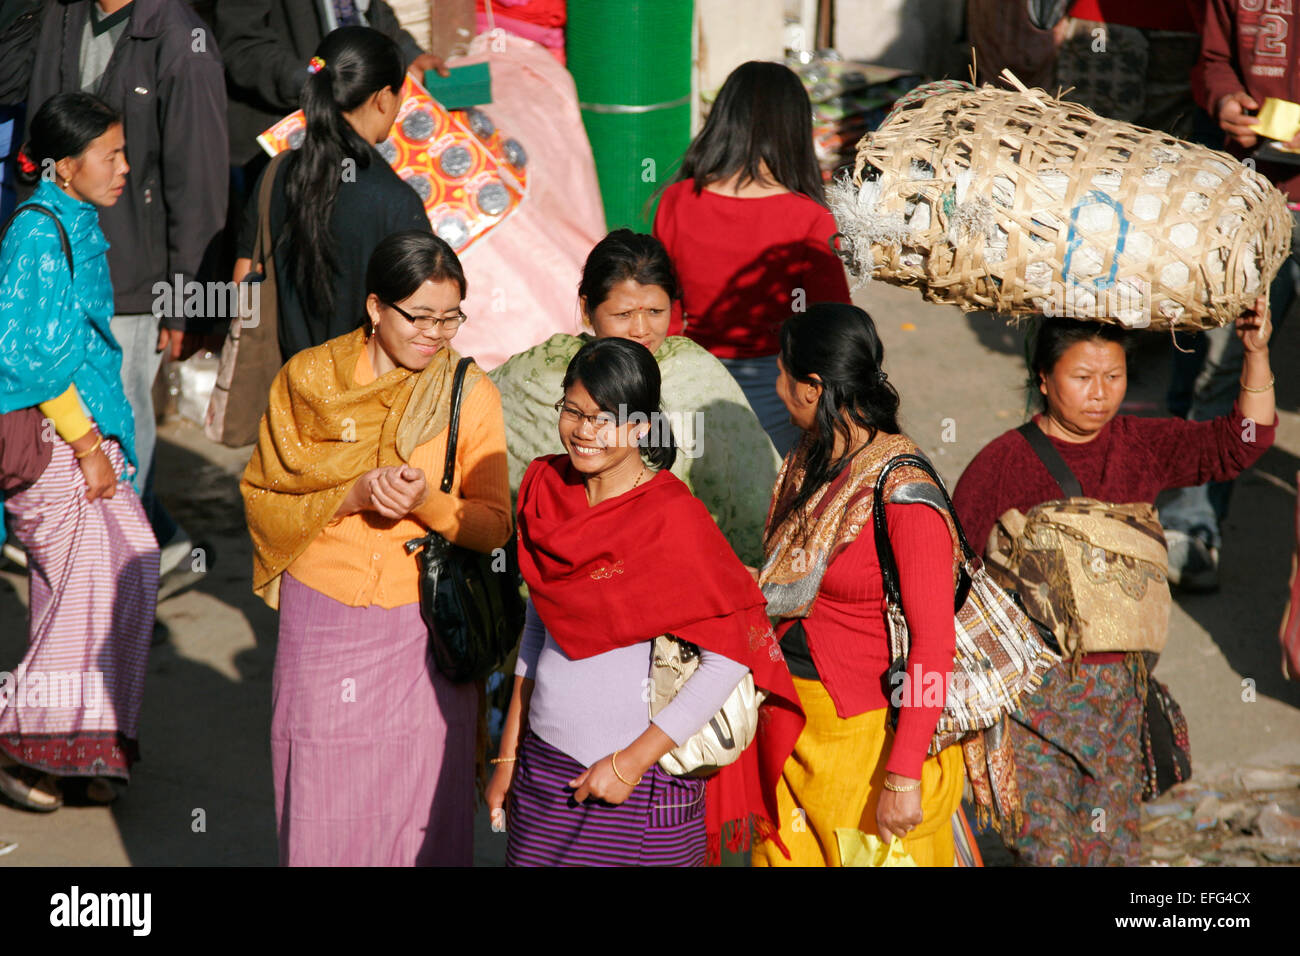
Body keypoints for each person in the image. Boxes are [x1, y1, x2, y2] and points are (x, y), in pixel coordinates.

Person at [952, 308, 1276, 866]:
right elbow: (952, 576)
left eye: (1114, 376)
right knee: (1046, 851)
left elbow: (1240, 443)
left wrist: (1254, 352)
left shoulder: (1142, 445)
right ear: (1043, 380)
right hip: (1032, 706)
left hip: (1118, 706)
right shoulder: (1002, 464)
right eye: (1082, 378)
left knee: (1110, 852)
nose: (1100, 394)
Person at [240, 230, 511, 866]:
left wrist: (427, 504)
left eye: (451, 317)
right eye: (419, 316)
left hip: (422, 626)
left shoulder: (469, 394)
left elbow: (495, 526)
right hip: (324, 614)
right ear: (374, 307)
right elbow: (265, 494)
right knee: (319, 792)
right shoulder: (309, 380)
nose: (436, 334)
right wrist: (354, 493)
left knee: (419, 805)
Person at [489, 337, 803, 867]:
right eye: (574, 411)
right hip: (543, 775)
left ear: (640, 427)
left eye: (606, 418)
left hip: (642, 787)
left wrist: (630, 764)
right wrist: (508, 755)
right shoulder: (545, 490)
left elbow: (727, 658)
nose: (585, 432)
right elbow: (538, 629)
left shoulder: (672, 519)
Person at [12, 0, 229, 574]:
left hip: (136, 278)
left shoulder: (183, 41)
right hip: (62, 249)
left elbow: (199, 184)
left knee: (120, 433)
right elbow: (35, 123)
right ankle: (130, 553)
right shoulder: (63, 14)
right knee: (63, 419)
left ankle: (124, 573)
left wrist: (186, 305)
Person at [753, 303, 963, 867]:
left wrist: (903, 773)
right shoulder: (810, 461)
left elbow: (934, 645)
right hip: (793, 728)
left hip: (866, 742)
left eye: (782, 372)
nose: (775, 387)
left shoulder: (902, 492)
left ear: (813, 387)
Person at [0, 93, 158, 812]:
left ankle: (85, 744)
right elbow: (34, 359)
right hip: (61, 441)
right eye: (112, 155)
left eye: (124, 152)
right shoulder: (37, 235)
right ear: (65, 167)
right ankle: (24, 742)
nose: (125, 167)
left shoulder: (74, 220)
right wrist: (91, 446)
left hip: (90, 437)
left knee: (131, 564)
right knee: (87, 591)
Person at [488, 229, 780, 567]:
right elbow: (473, 424)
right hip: (562, 575)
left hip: (681, 568)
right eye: (624, 315)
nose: (642, 329)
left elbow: (751, 483)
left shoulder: (693, 370)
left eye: (655, 311)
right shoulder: (541, 373)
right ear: (587, 309)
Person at [1162, 0, 1300, 590]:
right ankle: (1192, 525)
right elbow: (1214, 57)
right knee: (1219, 364)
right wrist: (1223, 100)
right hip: (1246, 197)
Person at [653, 60, 852, 455]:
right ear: (794, 129)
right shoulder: (810, 218)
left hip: (685, 386)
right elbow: (834, 330)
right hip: (779, 403)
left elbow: (664, 314)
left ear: (723, 120)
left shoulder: (676, 201)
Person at [234, 26, 432, 362]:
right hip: (367, 403)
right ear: (384, 98)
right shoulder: (397, 203)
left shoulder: (276, 173)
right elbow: (420, 327)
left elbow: (243, 283)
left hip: (286, 393)